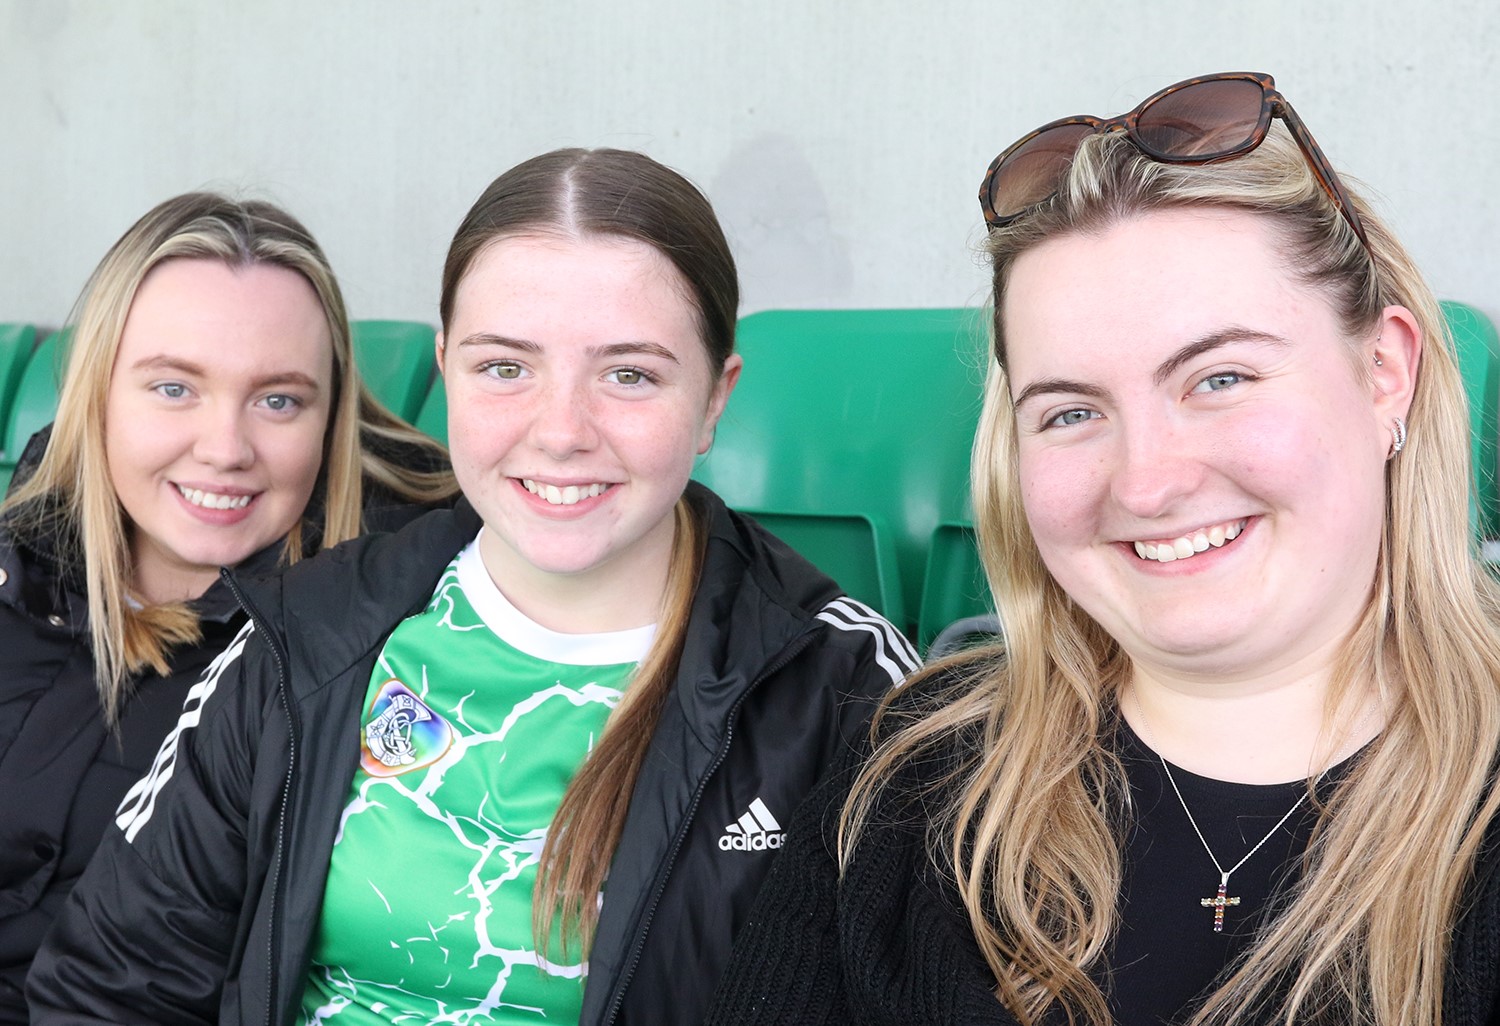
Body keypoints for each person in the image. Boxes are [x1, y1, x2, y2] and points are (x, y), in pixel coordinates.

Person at [28, 149, 919, 1026]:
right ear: (448, 364)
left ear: (716, 399)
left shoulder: (842, 688)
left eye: (629, 374)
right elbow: (111, 989)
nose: (561, 430)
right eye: (505, 367)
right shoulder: (312, 634)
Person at [706, 72, 1500, 1026]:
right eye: (1073, 411)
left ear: (1384, 374)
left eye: (1220, 378)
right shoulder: (910, 778)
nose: (1146, 484)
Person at [0, 192, 456, 1021]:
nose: (225, 449)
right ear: (98, 393)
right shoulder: (15, 567)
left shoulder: (403, 633)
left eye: (278, 400)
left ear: (331, 418)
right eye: (174, 388)